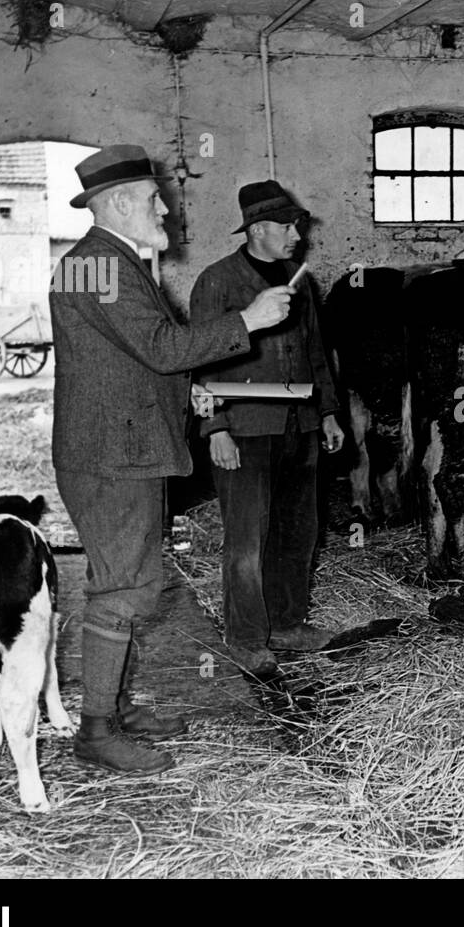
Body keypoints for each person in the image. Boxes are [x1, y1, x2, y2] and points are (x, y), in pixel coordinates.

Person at [51, 146, 293, 775]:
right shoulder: (98, 266)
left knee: (133, 583)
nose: (165, 208)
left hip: (123, 446)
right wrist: (249, 318)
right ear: (123, 203)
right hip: (113, 456)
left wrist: (188, 389)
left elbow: (126, 361)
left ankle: (118, 708)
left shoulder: (112, 264)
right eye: (155, 198)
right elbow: (159, 347)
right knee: (121, 589)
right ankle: (97, 731)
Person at [190, 181, 345, 675]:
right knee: (247, 541)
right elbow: (198, 362)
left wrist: (327, 412)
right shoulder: (217, 282)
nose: (297, 233)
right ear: (258, 229)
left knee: (297, 532)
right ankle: (247, 638)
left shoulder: (299, 280)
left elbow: (316, 351)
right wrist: (215, 427)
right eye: (286, 225)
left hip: (299, 425)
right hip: (245, 428)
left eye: (297, 224)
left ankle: (287, 623)